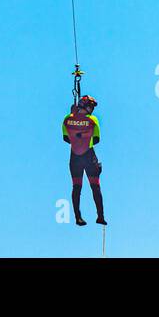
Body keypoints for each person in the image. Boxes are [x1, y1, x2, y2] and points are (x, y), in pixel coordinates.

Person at [62, 94, 105, 226]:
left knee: (76, 187)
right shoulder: (93, 120)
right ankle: (100, 216)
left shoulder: (67, 119)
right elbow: (96, 139)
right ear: (86, 106)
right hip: (89, 155)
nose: (92, 109)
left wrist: (77, 135)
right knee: (95, 186)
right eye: (91, 106)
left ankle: (78, 218)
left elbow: (66, 138)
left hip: (74, 156)